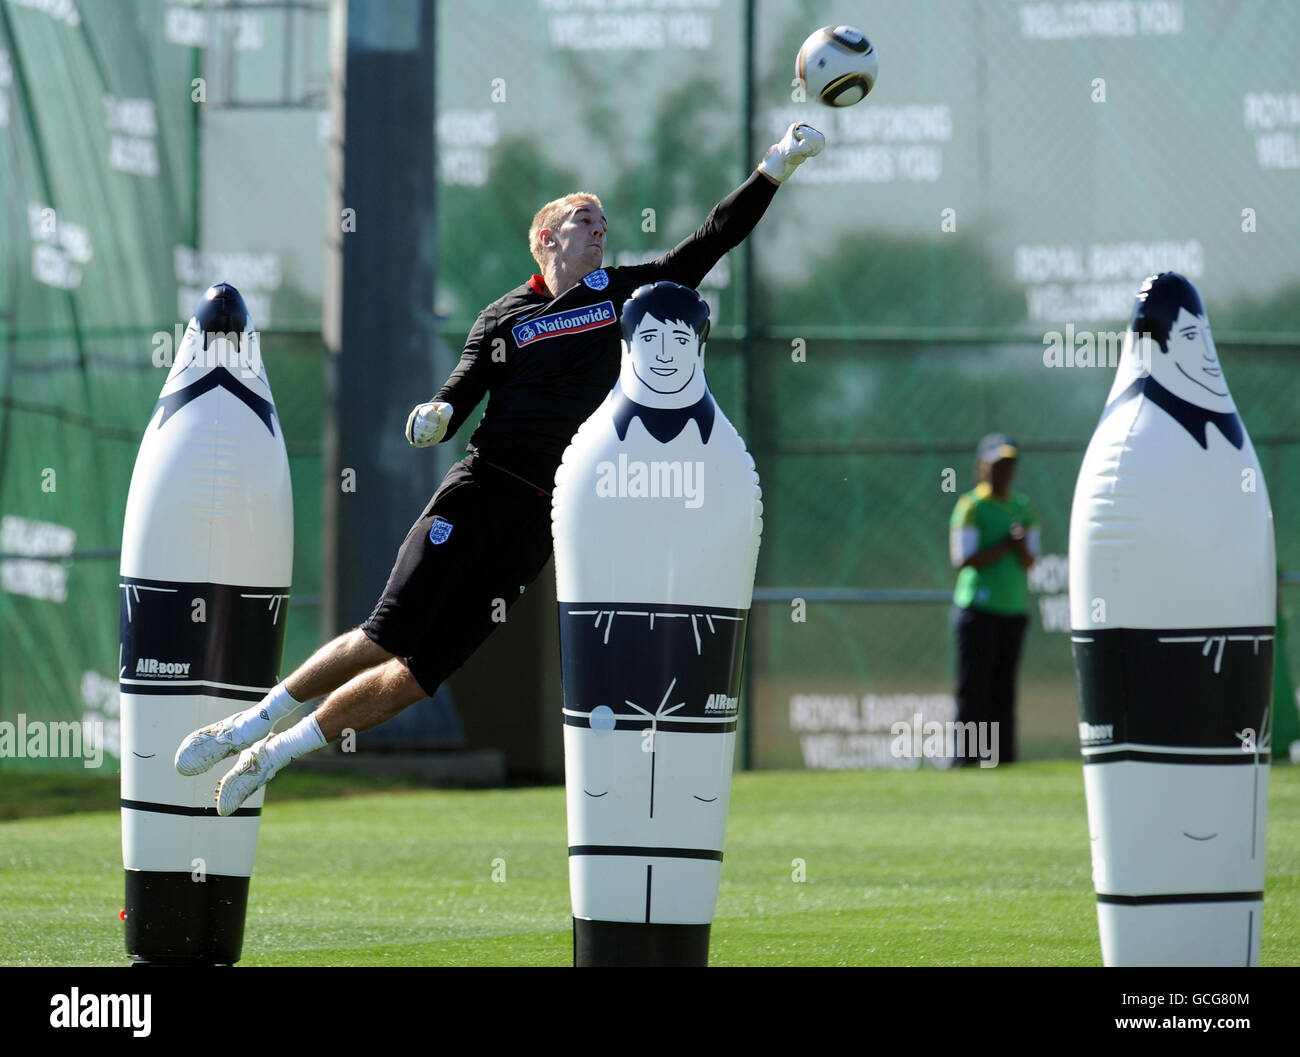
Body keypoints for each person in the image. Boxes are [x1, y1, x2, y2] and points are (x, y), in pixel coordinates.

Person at [175, 122, 825, 815]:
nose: (599, 229)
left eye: (604, 221)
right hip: (479, 492)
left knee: (420, 674)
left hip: (539, 518)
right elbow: (460, 391)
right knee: (385, 632)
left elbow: (709, 243)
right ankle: (245, 722)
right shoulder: (504, 317)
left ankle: (272, 755)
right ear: (546, 238)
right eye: (584, 220)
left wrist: (773, 169)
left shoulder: (617, 296)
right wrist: (436, 415)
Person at [948, 434, 1038, 765]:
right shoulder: (972, 505)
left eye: (1010, 465)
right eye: (998, 465)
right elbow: (963, 557)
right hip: (978, 610)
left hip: (1012, 610)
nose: (1005, 472)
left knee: (1004, 691)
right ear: (982, 467)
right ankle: (967, 759)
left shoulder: (1022, 506)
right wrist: (1006, 545)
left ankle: (1002, 760)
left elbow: (1031, 560)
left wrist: (1022, 546)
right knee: (975, 690)